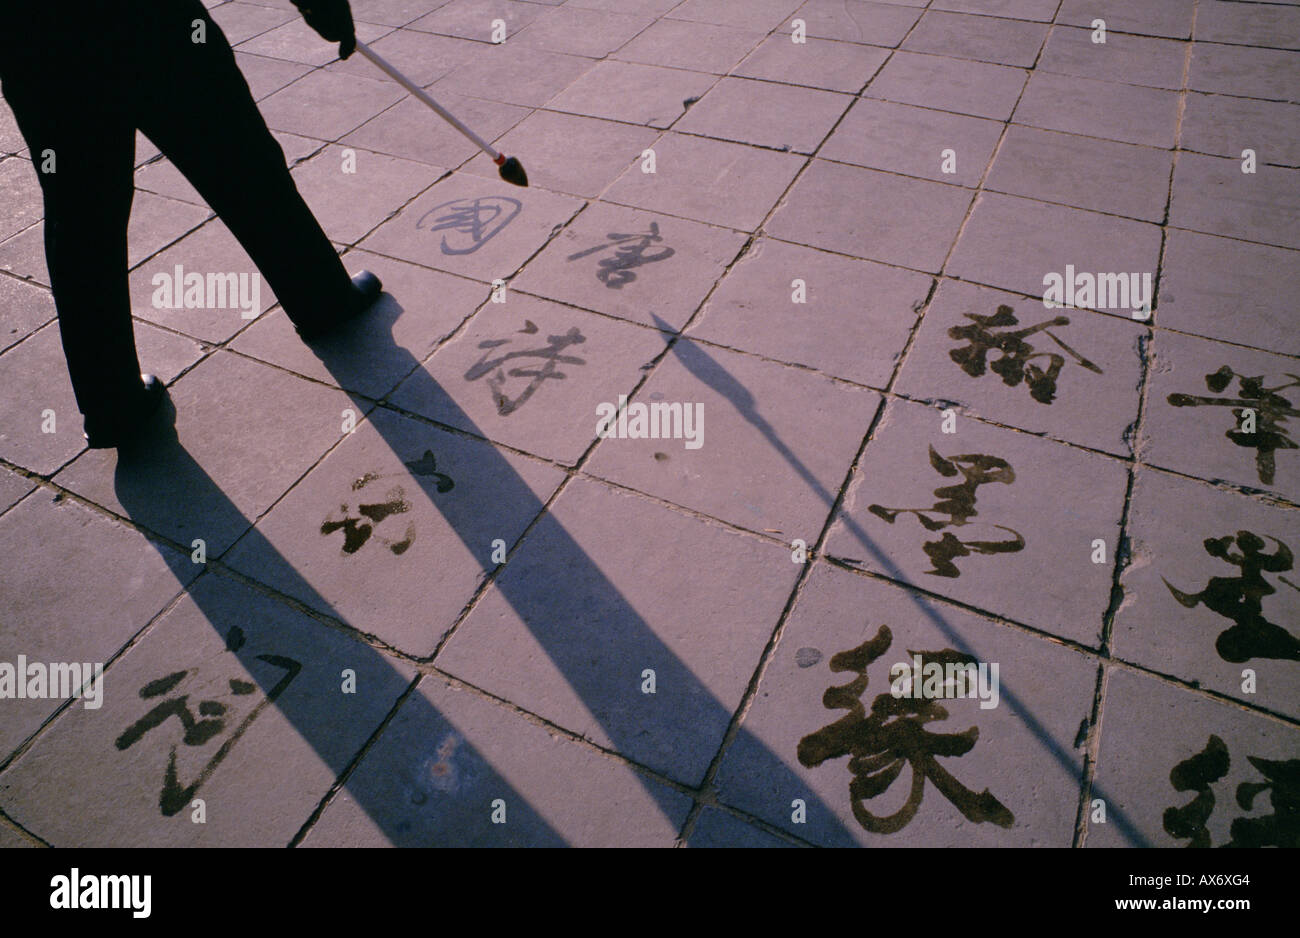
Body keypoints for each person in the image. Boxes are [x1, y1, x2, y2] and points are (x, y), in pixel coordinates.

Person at [0, 0, 381, 448]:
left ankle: (111, 403)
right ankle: (321, 299)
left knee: (81, 215)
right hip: (152, 21)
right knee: (238, 158)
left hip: (33, 41)